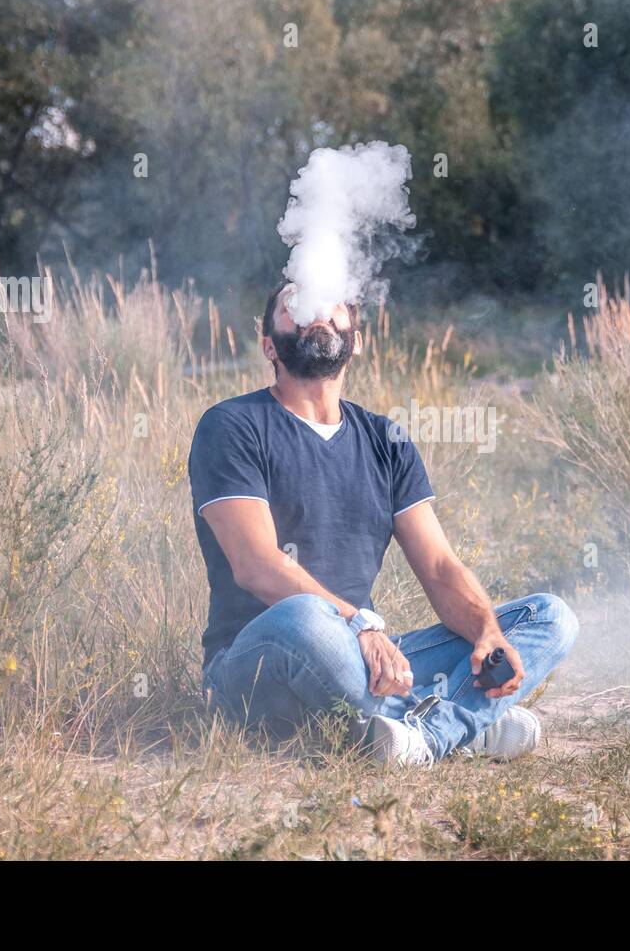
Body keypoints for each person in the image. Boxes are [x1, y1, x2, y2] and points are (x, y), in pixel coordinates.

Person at [189, 282, 577, 765]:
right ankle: (463, 726)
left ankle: (422, 735)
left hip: (364, 656)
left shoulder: (385, 439)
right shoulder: (232, 426)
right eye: (295, 305)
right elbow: (255, 565)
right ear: (269, 344)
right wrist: (358, 625)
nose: (316, 312)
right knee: (307, 616)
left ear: (356, 339)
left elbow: (438, 567)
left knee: (549, 617)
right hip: (257, 665)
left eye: (332, 305)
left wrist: (487, 632)